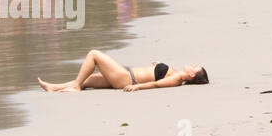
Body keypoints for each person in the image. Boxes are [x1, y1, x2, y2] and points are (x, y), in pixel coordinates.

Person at [38, 50, 209, 92]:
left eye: (195, 67)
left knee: (94, 54)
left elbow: (157, 84)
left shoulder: (178, 78)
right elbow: (157, 74)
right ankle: (54, 87)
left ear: (192, 75)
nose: (192, 64)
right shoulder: (176, 72)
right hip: (126, 75)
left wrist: (137, 87)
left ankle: (75, 86)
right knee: (88, 80)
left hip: (126, 79)